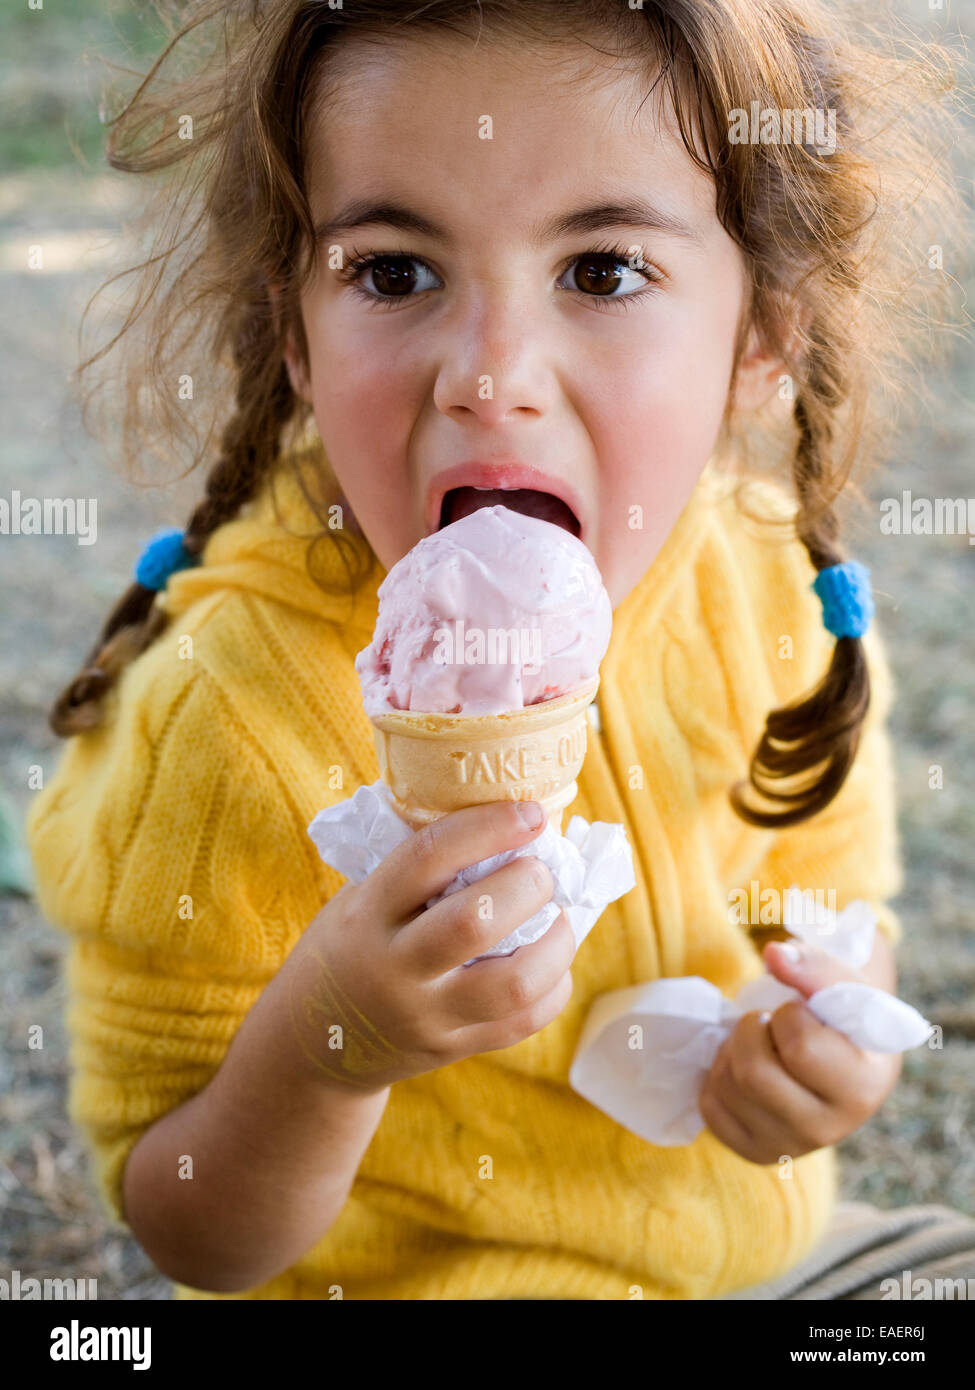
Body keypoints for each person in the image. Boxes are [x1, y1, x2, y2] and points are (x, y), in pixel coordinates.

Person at [25, 0, 975, 1300]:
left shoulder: (769, 589)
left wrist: (825, 1030)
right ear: (294, 333)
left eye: (601, 271)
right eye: (395, 271)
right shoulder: (222, 708)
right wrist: (328, 1045)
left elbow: (818, 906)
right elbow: (191, 1227)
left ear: (766, 333)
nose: (492, 374)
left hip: (777, 1265)